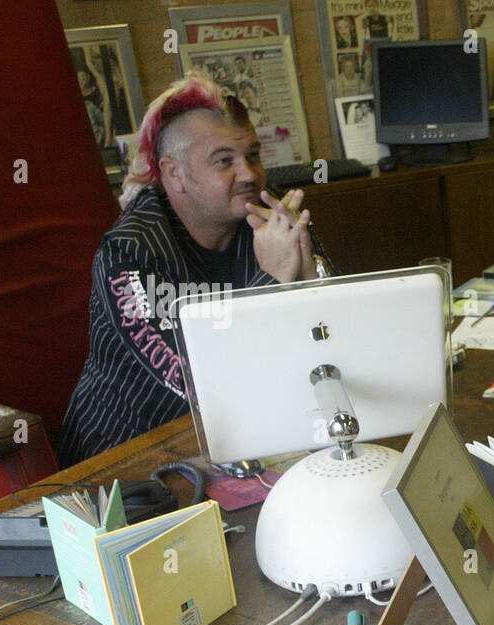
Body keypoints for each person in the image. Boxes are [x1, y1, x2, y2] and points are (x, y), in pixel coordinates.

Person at [57, 72, 331, 468]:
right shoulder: (129, 251)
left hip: (252, 444)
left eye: (253, 155)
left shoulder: (272, 223)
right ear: (174, 174)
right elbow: (193, 383)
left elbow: (334, 341)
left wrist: (311, 282)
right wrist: (273, 281)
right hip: (129, 466)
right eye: (225, 161)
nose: (250, 174)